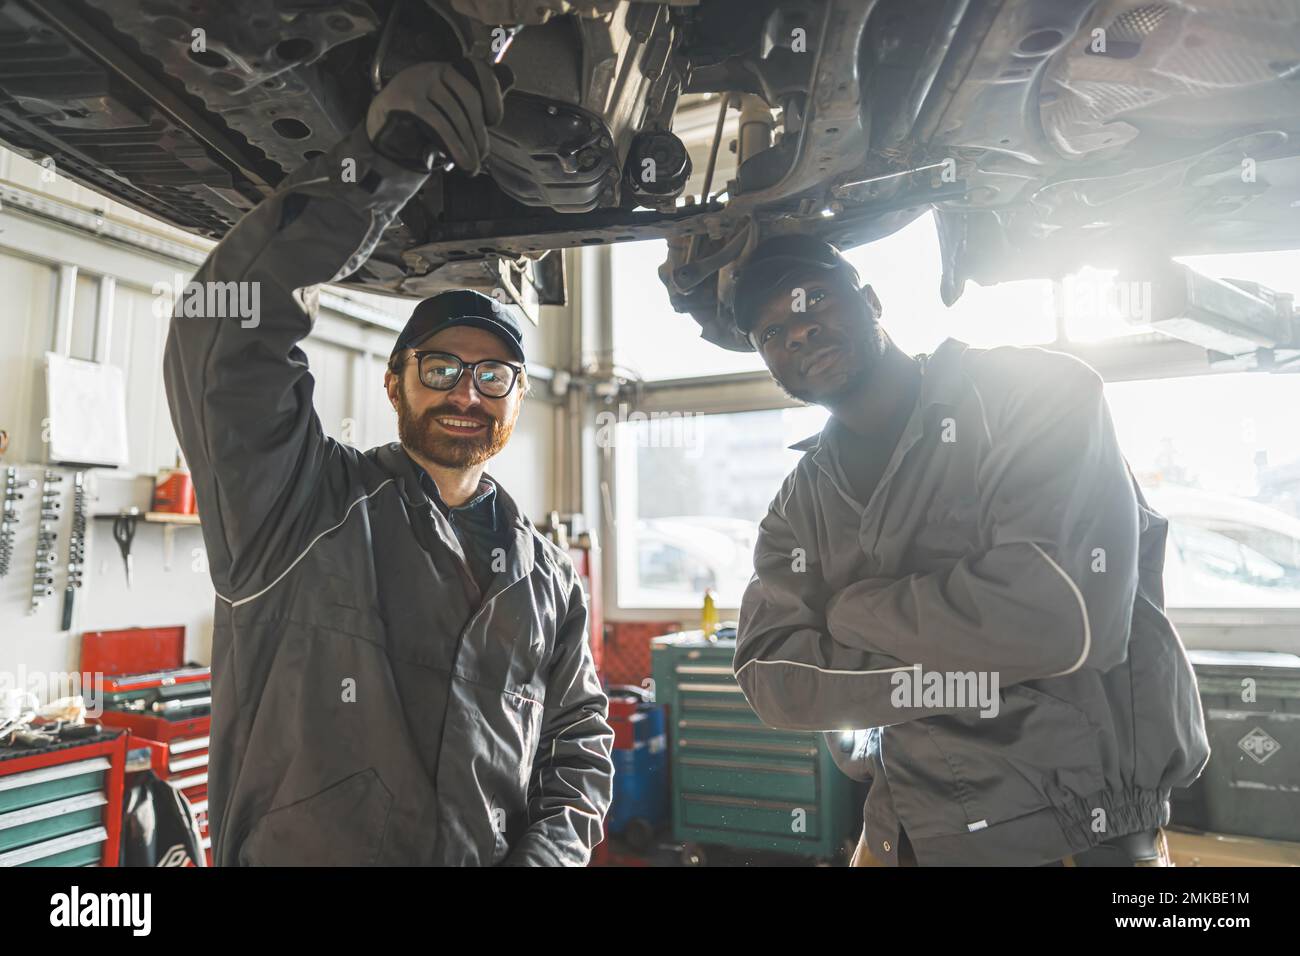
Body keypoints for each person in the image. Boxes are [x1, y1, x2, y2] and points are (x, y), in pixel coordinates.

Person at [163, 59, 613, 866]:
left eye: (493, 375)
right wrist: (373, 168)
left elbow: (578, 746)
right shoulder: (298, 507)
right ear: (394, 383)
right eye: (440, 367)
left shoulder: (549, 581)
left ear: (516, 400)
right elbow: (222, 339)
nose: (465, 393)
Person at [730, 234, 1209, 866]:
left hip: (1073, 832)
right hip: (899, 827)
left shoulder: (1034, 394)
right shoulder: (801, 499)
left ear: (871, 300)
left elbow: (1059, 622)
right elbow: (772, 674)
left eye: (813, 298)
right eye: (769, 334)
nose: (795, 331)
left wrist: (850, 614)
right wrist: (971, 680)